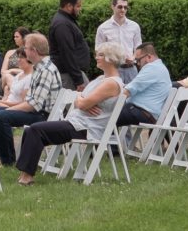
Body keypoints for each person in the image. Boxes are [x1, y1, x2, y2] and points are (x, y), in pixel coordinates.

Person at [14, 43, 129, 185]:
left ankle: (27, 177)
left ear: (110, 59)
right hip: (78, 123)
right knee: (32, 130)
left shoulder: (110, 83)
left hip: (86, 128)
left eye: (100, 55)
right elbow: (78, 100)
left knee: (35, 130)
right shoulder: (101, 79)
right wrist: (81, 100)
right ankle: (25, 173)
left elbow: (82, 103)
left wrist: (82, 101)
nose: (96, 57)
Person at [0, 32, 62, 168]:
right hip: (36, 111)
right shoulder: (39, 68)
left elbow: (34, 105)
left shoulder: (46, 70)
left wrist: (9, 108)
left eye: (26, 48)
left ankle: (8, 161)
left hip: (43, 115)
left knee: (1, 116)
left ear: (34, 50)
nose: (25, 50)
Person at [116, 42, 172, 129]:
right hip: (145, 112)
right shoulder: (160, 67)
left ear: (149, 57)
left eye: (138, 60)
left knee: (105, 116)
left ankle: (105, 142)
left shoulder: (152, 68)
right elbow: (133, 86)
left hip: (142, 112)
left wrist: (105, 99)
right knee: (106, 115)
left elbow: (128, 90)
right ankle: (109, 142)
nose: (137, 64)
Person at [49, 0, 92, 90]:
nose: (79, 9)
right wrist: (78, 80)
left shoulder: (65, 20)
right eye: (78, 6)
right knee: (74, 104)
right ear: (69, 6)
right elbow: (67, 52)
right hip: (69, 76)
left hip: (72, 74)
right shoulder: (62, 24)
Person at [96, 0, 142, 82]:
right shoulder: (103, 28)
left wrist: (133, 57)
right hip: (113, 69)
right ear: (112, 7)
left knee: (134, 95)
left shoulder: (134, 26)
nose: (123, 10)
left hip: (131, 69)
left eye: (125, 7)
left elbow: (138, 47)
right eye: (120, 7)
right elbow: (99, 50)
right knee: (113, 95)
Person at [0, 26, 33, 95]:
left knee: (7, 88)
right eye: (14, 37)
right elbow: (3, 71)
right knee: (5, 79)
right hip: (6, 78)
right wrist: (8, 74)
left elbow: (31, 71)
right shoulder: (10, 53)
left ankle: (7, 100)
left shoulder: (30, 53)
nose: (15, 39)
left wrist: (13, 70)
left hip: (24, 77)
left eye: (17, 37)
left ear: (24, 38)